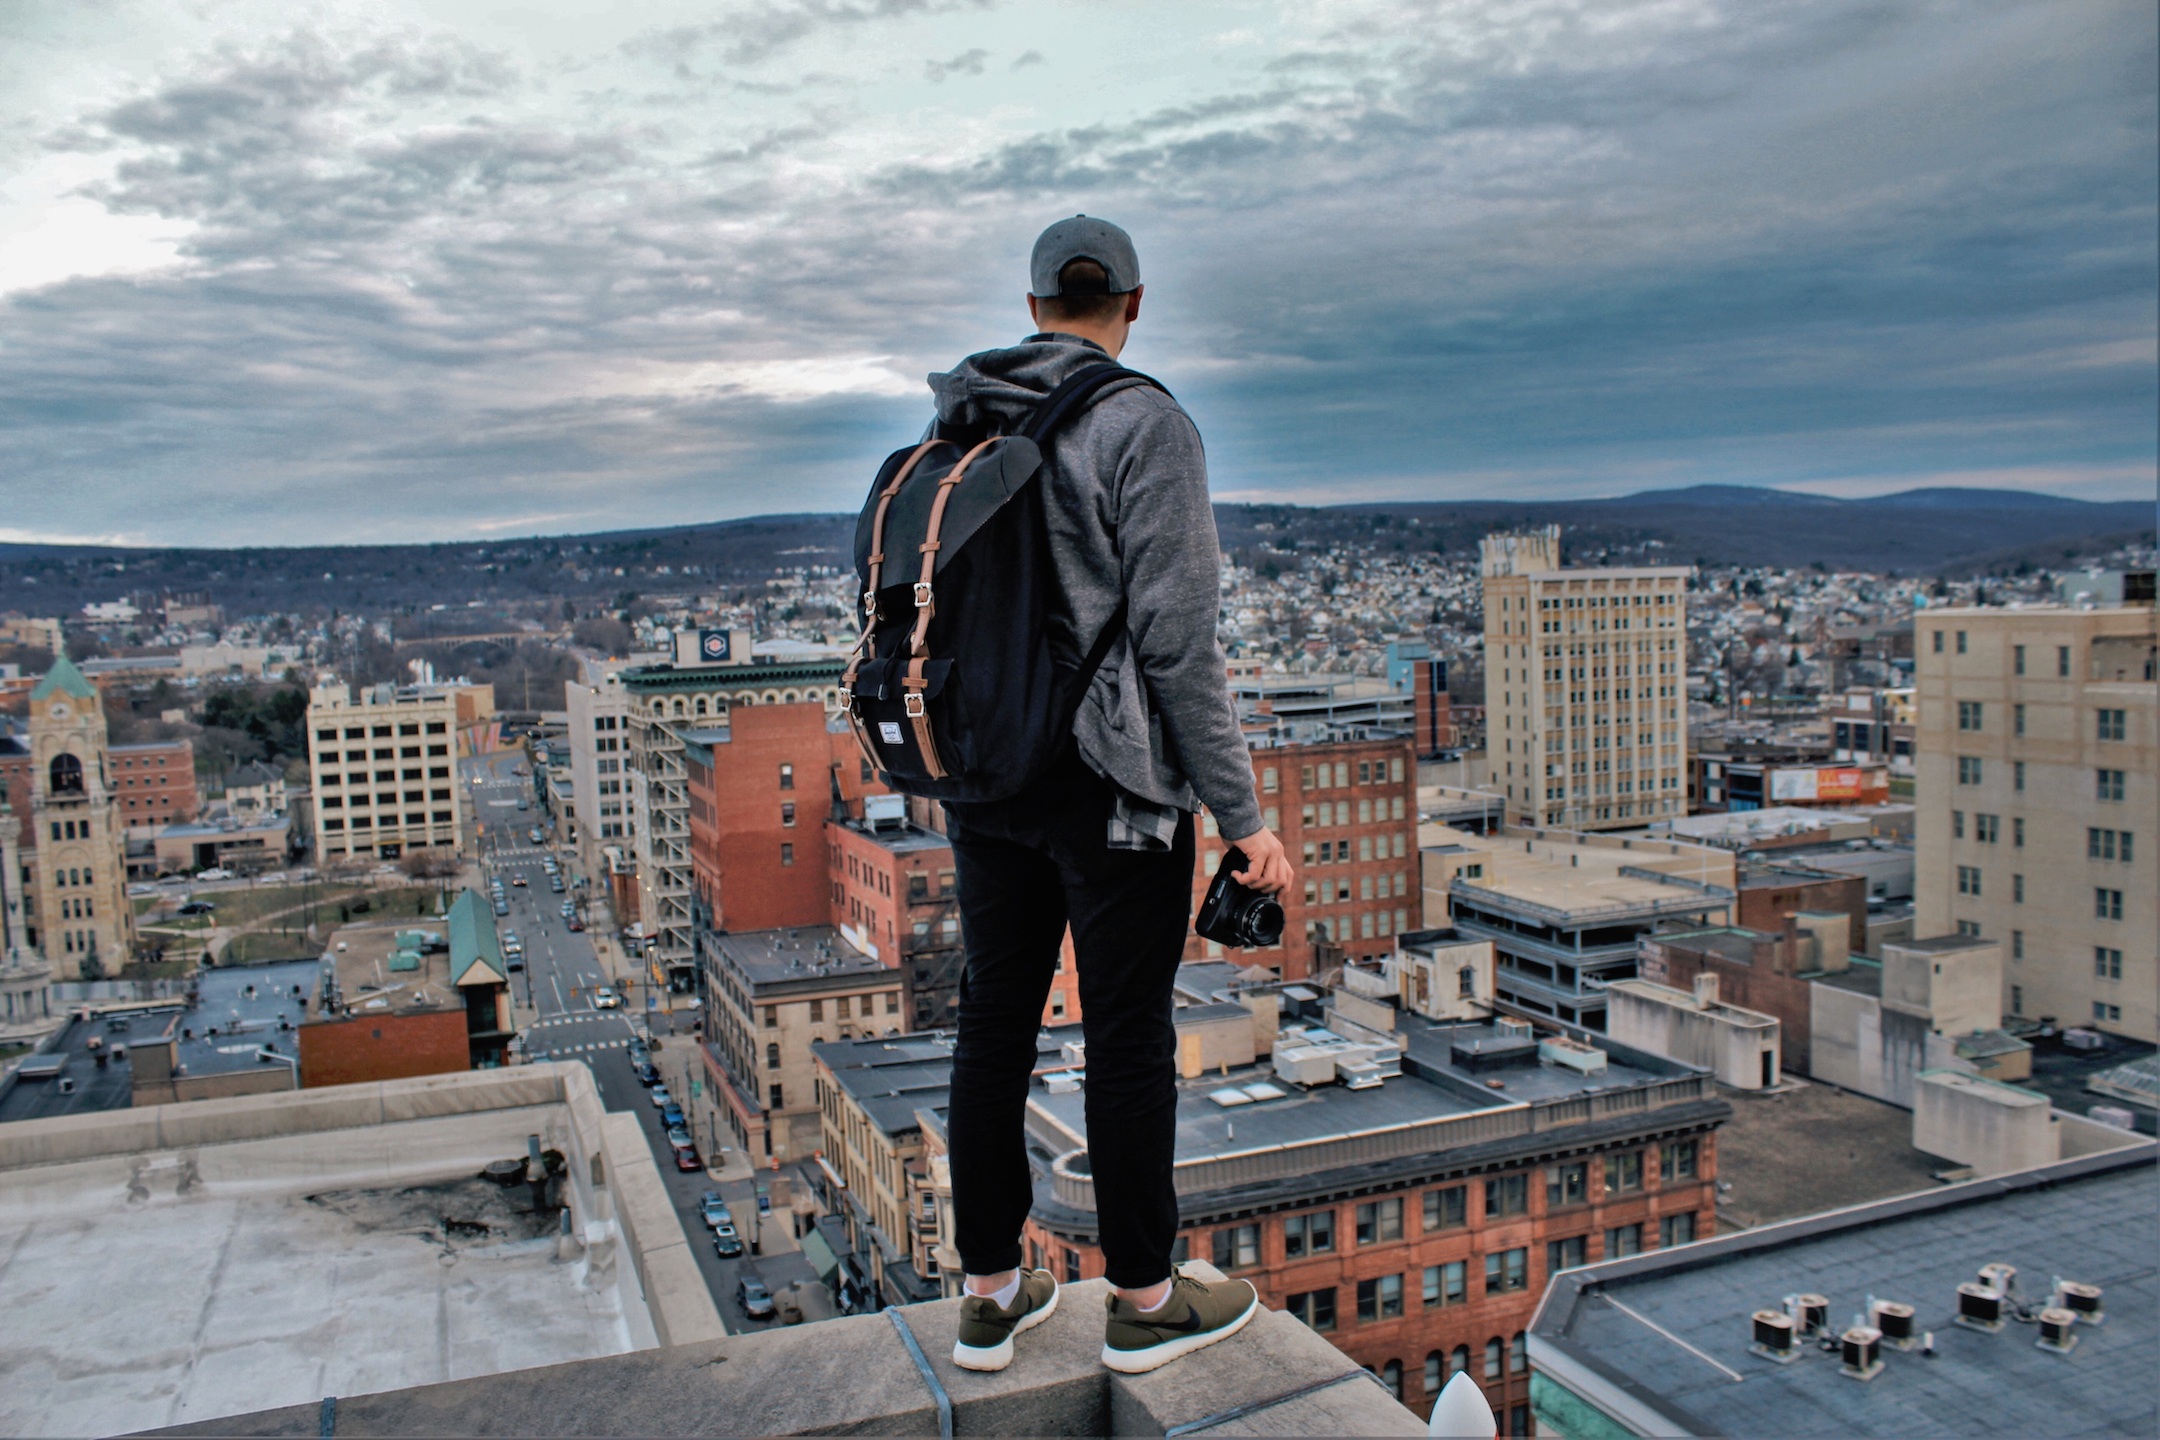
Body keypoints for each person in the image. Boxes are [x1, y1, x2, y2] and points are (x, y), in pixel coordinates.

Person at [935, 216, 1293, 1376]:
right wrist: (1243, 819)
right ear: (1133, 303)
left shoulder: (961, 416)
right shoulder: (1146, 424)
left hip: (986, 774)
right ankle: (1143, 1297)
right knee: (1126, 1035)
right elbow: (1180, 647)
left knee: (994, 1021)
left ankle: (990, 1294)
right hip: (1114, 788)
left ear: (1034, 306)